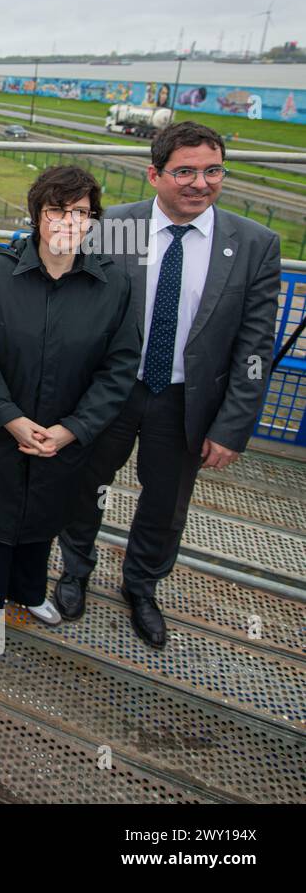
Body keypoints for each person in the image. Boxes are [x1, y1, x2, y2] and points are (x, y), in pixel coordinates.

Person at [56, 122, 281, 647]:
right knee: (85, 485)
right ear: (155, 174)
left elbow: (255, 347)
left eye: (213, 171)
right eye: (184, 171)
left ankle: (141, 586)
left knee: (166, 501)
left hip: (186, 400)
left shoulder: (252, 244)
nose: (200, 183)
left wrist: (232, 427)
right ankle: (74, 570)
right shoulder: (116, 226)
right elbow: (75, 304)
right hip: (112, 390)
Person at [0, 166, 140, 657]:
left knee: (45, 517)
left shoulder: (113, 284)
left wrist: (74, 429)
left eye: (81, 212)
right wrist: (7, 415)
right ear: (36, 215)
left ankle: (28, 592)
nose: (68, 221)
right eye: (57, 210)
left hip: (66, 435)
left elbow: (120, 368)